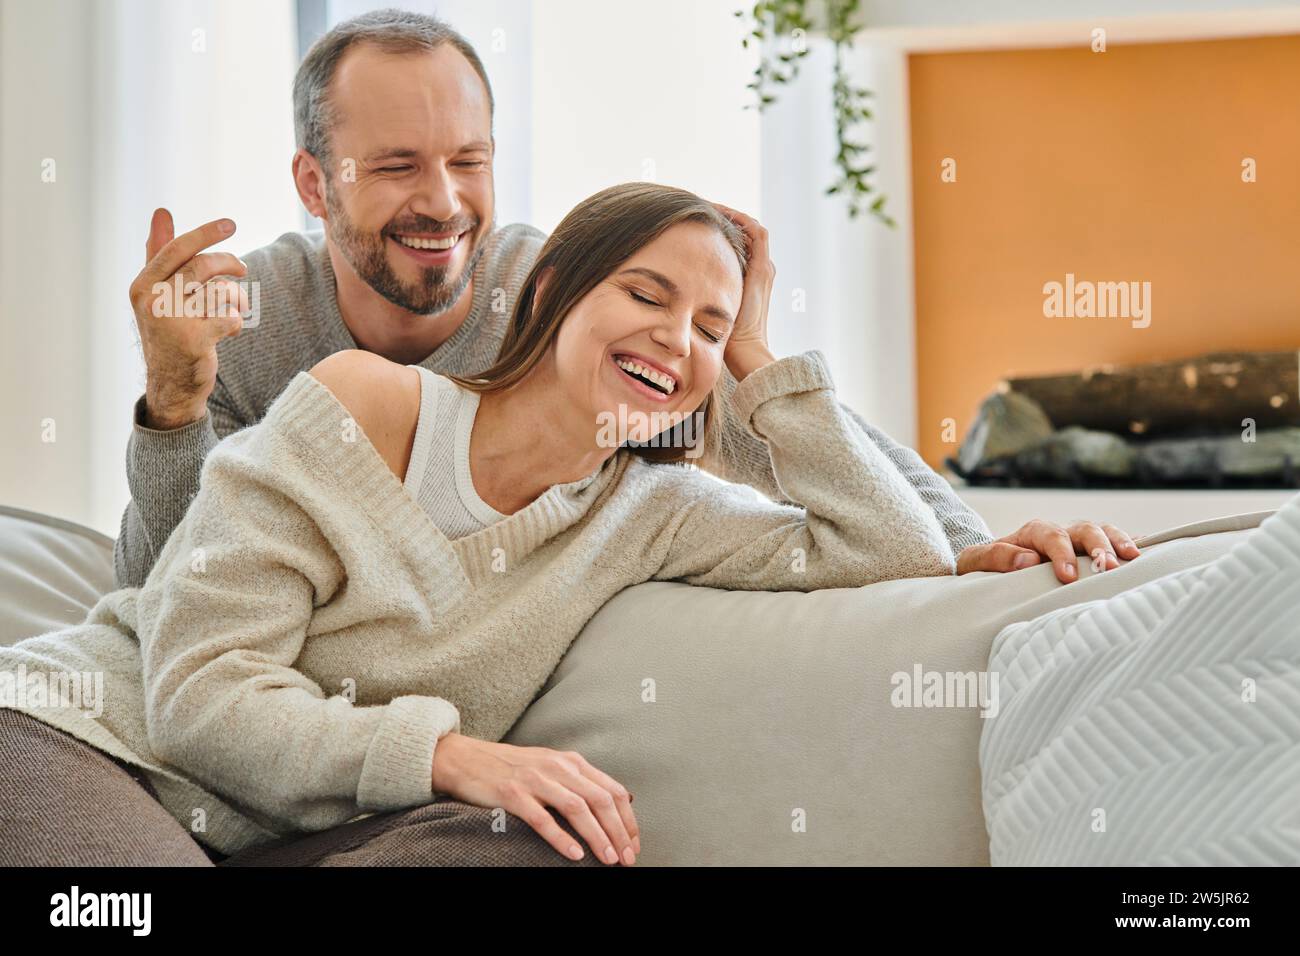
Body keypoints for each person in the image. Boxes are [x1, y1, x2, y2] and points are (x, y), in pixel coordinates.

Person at [0, 181, 1144, 868]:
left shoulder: (652, 510)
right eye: (645, 295)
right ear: (548, 292)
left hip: (276, 826)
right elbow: (197, 692)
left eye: (708, 323)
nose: (676, 337)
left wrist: (758, 361)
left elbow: (887, 548)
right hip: (96, 741)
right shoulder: (365, 404)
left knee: (540, 844)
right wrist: (446, 754)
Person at [118, 9, 1126, 599]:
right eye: (394, 166)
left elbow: (790, 441)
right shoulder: (243, 318)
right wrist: (172, 399)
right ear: (312, 182)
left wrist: (970, 548)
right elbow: (169, 587)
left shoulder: (550, 289)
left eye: (468, 160)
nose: (441, 201)